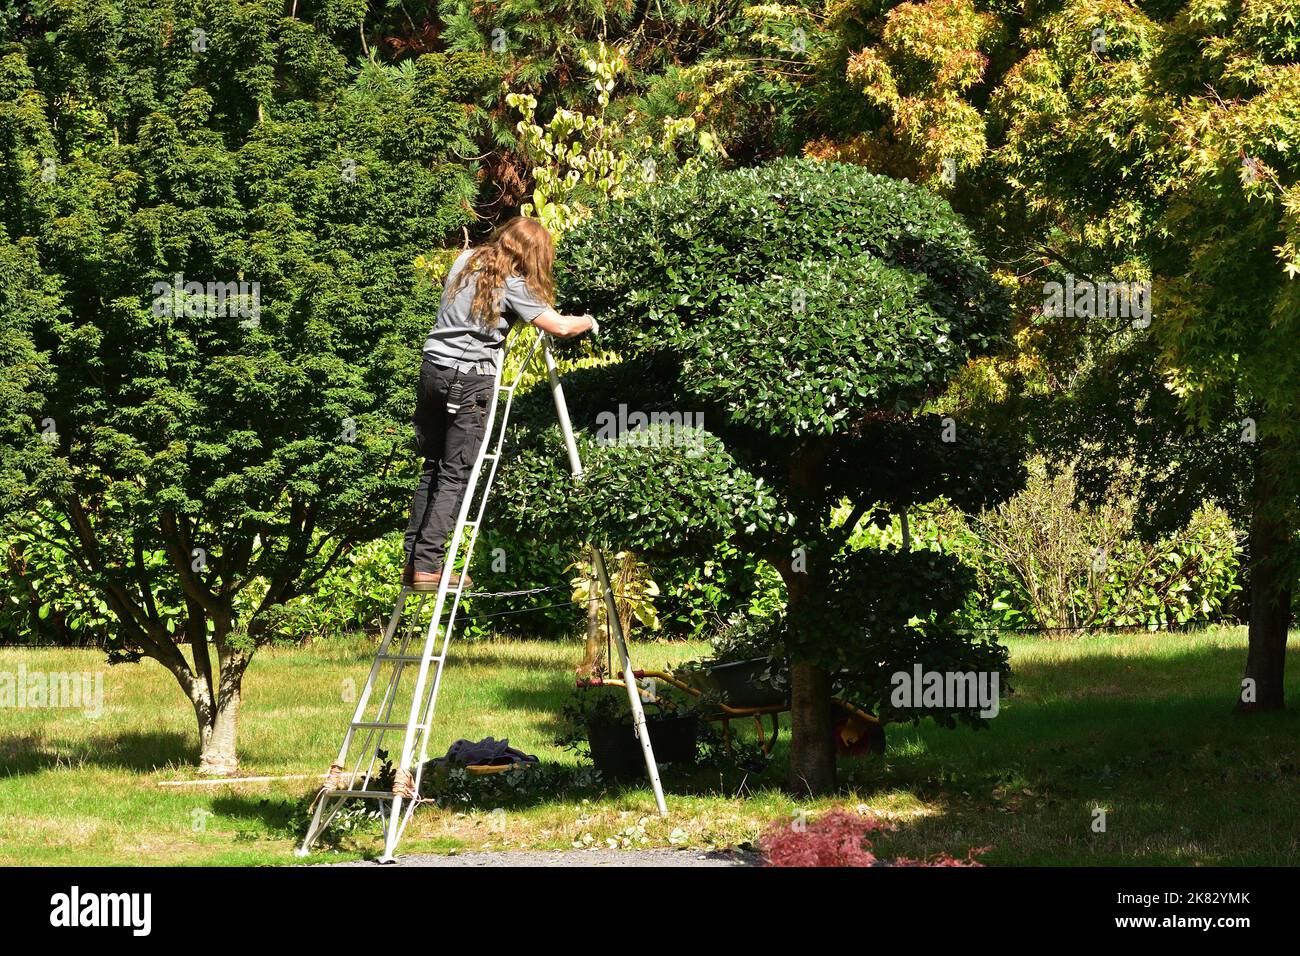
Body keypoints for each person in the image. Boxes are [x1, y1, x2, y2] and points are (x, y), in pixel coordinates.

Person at [403, 217, 596, 591]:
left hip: (432, 371)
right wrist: (588, 321)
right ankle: (429, 566)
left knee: (433, 466)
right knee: (456, 474)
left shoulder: (466, 260)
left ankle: (414, 563)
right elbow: (558, 326)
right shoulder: (514, 283)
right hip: (468, 381)